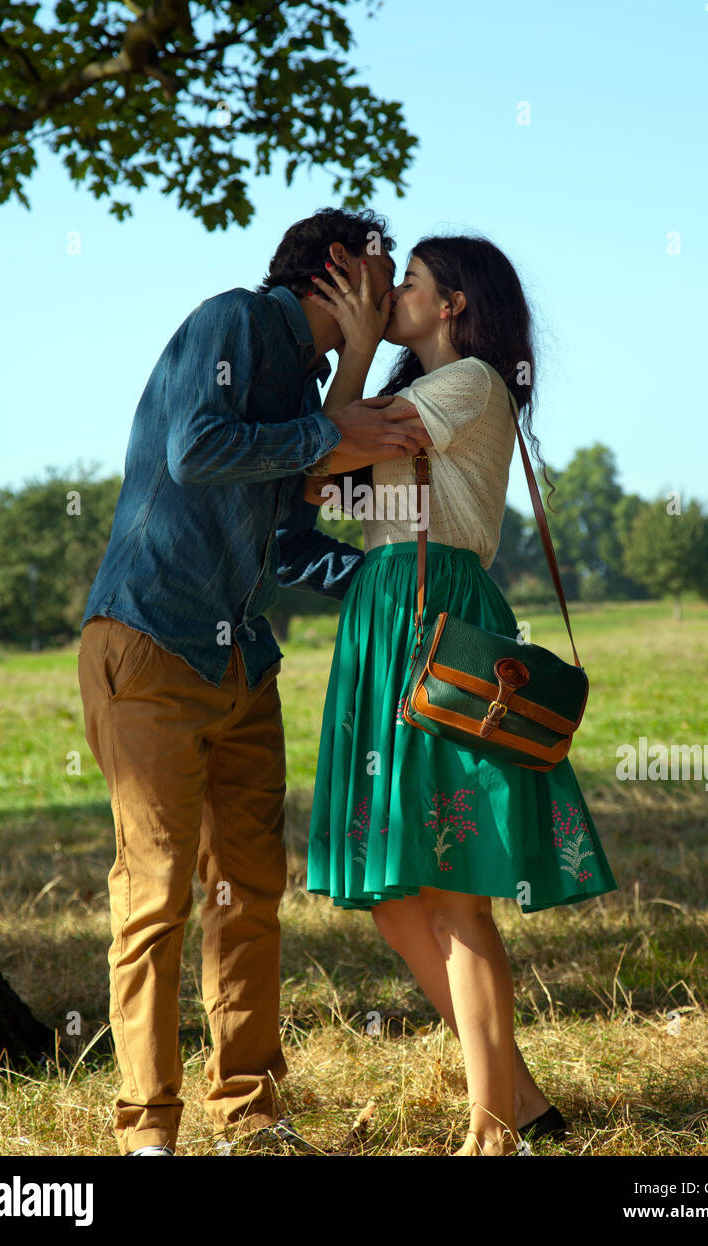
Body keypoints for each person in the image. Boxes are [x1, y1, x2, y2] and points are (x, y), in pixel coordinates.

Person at [77, 207, 430, 1157]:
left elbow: (289, 543)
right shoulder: (233, 320)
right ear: (338, 268)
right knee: (153, 892)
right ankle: (146, 1132)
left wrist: (395, 588)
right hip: (149, 642)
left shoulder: (316, 384)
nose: (396, 296)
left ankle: (252, 1116)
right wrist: (332, 420)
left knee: (248, 892)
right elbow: (197, 448)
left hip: (243, 667)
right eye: (385, 273)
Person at [304, 234, 619, 1156]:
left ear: (451, 305)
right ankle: (524, 1107)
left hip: (437, 613)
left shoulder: (473, 382)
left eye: (408, 282)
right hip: (381, 611)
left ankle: (488, 1131)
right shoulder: (412, 398)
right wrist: (340, 429)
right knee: (399, 901)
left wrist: (352, 356)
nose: (391, 290)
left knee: (453, 896)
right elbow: (327, 481)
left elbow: (333, 442)